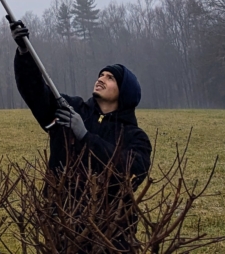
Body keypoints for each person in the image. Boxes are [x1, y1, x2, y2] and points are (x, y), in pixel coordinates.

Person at [11, 20, 151, 249]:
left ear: (125, 92)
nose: (101, 78)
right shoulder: (70, 108)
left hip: (110, 234)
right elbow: (35, 93)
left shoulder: (135, 137)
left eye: (110, 77)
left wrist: (86, 137)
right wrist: (24, 52)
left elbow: (130, 172)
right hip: (62, 222)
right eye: (101, 74)